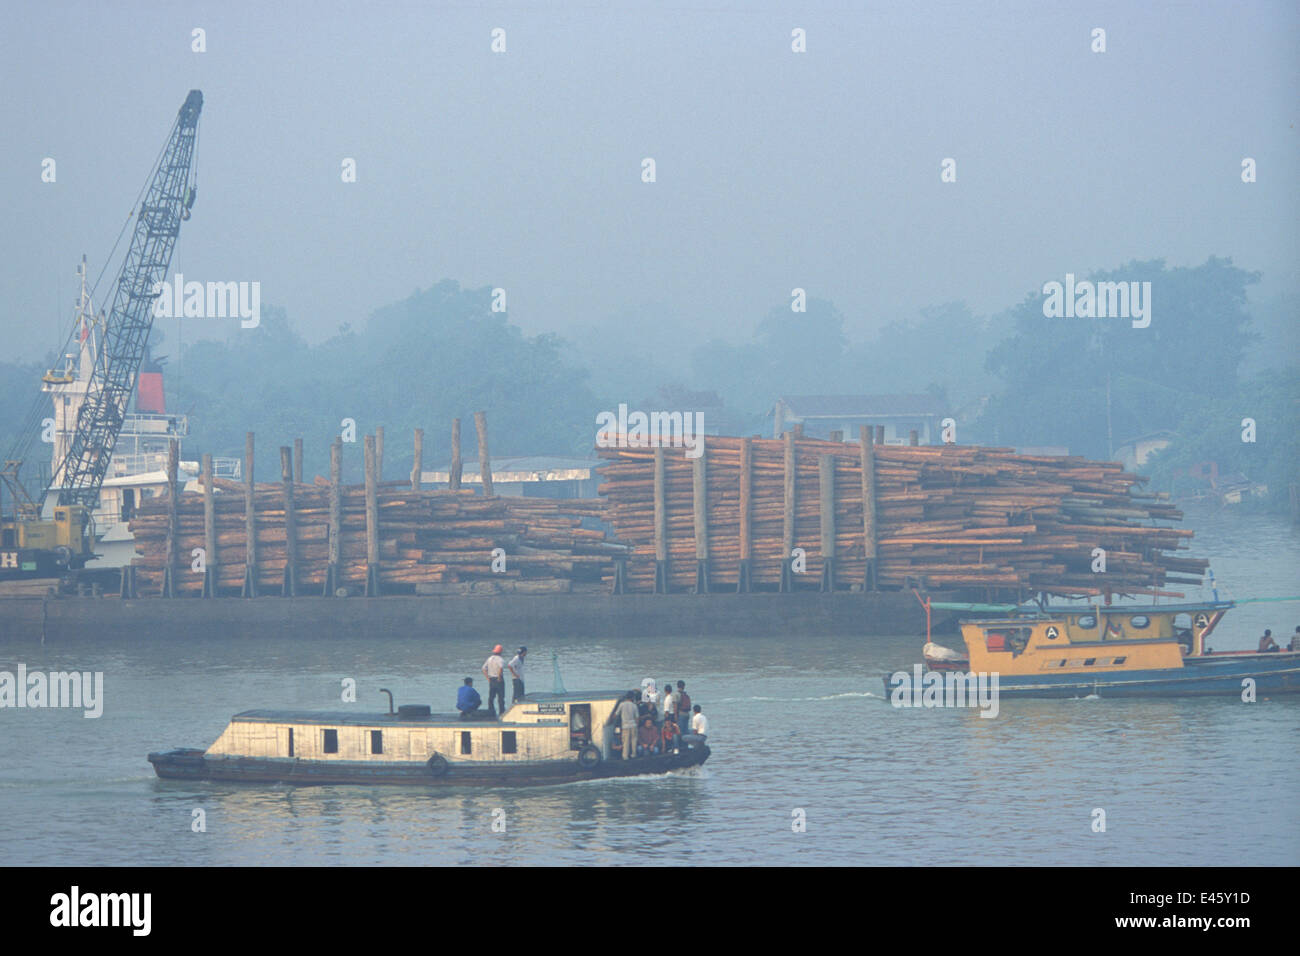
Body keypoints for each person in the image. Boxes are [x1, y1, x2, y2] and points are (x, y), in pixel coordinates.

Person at [482, 644, 507, 716]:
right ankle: (502, 712)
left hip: (491, 679)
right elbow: (501, 668)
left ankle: (491, 711)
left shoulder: (489, 658)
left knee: (491, 697)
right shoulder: (500, 659)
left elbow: (483, 668)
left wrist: (487, 678)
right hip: (499, 680)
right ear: (500, 652)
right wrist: (499, 677)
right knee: (501, 697)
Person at [616, 692, 639, 761]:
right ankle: (634, 755)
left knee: (626, 742)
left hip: (625, 726)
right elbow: (637, 717)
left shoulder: (622, 705)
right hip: (633, 725)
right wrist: (636, 725)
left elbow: (616, 714)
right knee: (634, 741)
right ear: (632, 698)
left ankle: (625, 756)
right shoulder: (634, 706)